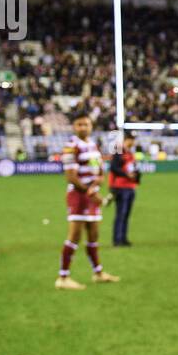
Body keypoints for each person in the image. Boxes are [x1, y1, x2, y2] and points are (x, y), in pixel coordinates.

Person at [55, 112, 120, 290]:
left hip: (91, 197)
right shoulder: (71, 146)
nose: (83, 127)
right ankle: (63, 277)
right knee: (74, 236)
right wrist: (89, 192)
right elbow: (70, 176)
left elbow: (98, 170)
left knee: (93, 236)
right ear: (74, 127)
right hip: (78, 196)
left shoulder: (93, 145)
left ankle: (98, 273)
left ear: (91, 126)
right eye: (79, 124)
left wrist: (99, 179)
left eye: (86, 124)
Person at [109, 134, 141, 246]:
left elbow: (134, 168)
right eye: (131, 139)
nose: (133, 142)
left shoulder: (130, 153)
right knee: (120, 214)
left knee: (126, 214)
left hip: (130, 187)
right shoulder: (119, 151)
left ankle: (123, 238)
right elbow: (113, 168)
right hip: (121, 187)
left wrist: (136, 177)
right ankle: (117, 239)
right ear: (127, 140)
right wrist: (127, 175)